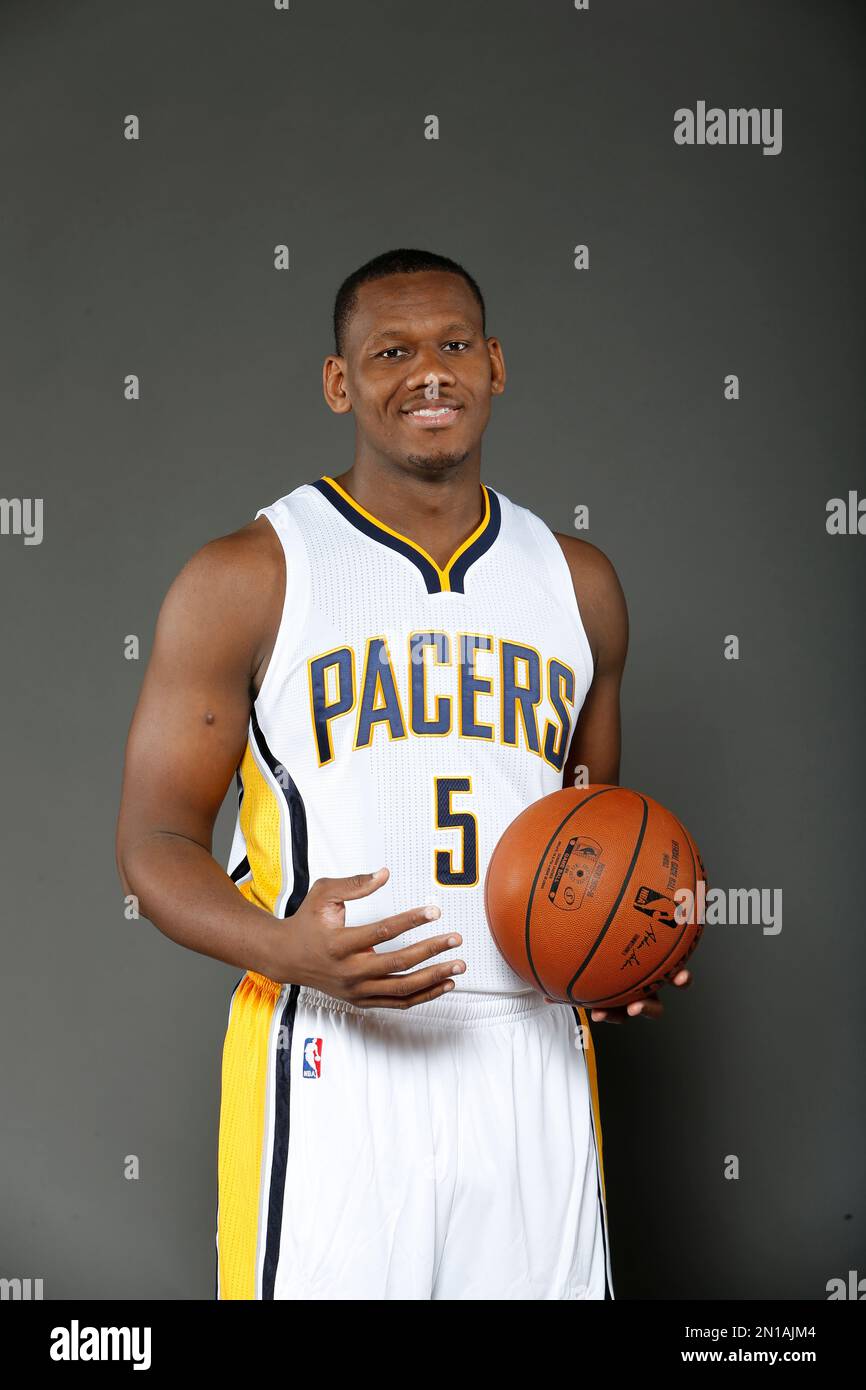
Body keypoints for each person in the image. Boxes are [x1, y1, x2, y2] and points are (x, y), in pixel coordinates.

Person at [115, 247, 692, 1301]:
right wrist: (284, 948)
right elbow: (152, 840)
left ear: (496, 365)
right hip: (338, 1048)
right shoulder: (246, 575)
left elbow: (592, 832)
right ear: (341, 384)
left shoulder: (578, 584)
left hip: (530, 1055)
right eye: (391, 351)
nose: (429, 372)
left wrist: (625, 948)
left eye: (454, 344)